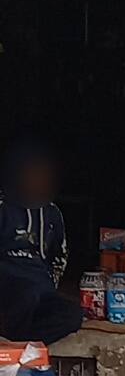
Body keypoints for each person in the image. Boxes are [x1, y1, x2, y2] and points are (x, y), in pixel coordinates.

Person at [0, 142, 83, 345]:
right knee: (25, 295)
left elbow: (60, 256)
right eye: (32, 174)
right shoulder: (3, 208)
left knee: (72, 314)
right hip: (9, 288)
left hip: (39, 289)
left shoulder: (52, 213)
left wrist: (48, 284)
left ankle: (21, 346)